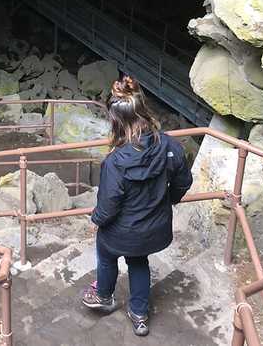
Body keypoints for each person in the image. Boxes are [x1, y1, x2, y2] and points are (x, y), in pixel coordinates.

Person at [81, 76, 193, 336]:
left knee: (106, 252)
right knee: (138, 260)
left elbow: (108, 207)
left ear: (116, 122)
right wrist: (169, 200)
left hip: (122, 232)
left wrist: (95, 220)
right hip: (154, 229)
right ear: (143, 111)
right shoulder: (169, 146)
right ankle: (139, 313)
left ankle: (104, 296)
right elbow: (183, 181)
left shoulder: (116, 161)